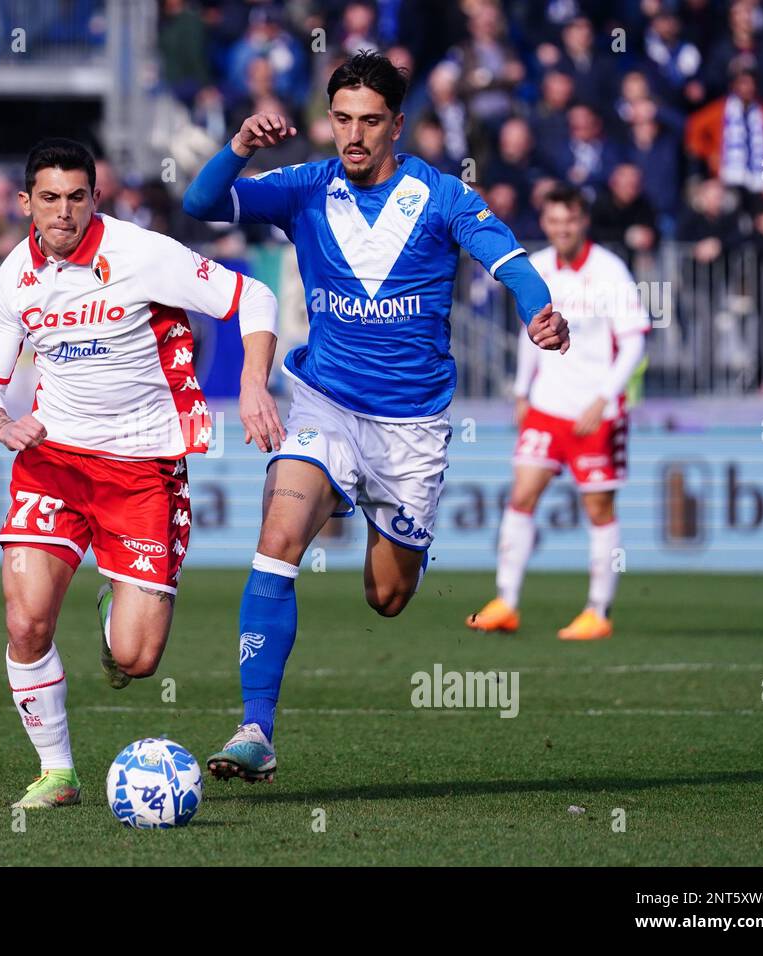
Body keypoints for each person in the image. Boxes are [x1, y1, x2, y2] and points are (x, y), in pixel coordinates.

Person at [182, 51, 569, 783]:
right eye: (341, 120)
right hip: (324, 403)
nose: (353, 136)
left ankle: (396, 548)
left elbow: (509, 259)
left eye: (369, 121)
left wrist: (537, 311)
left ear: (397, 124)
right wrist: (237, 148)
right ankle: (255, 731)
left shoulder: (444, 196)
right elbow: (201, 205)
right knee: (277, 539)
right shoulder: (302, 188)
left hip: (410, 429)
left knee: (386, 597)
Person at [0, 138, 281, 810]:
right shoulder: (13, 279)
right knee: (25, 623)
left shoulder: (142, 254)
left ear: (95, 199)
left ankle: (118, 605)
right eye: (48, 198)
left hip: (141, 468)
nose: (63, 211)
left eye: (76, 196)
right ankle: (57, 774)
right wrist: (1, 424)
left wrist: (255, 384)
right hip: (51, 463)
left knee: (137, 660)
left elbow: (252, 298)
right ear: (26, 203)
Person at [467, 184, 647, 641]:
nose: (562, 228)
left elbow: (634, 341)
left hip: (595, 412)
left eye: (570, 220)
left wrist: (604, 397)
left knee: (598, 508)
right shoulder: (538, 267)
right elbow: (534, 335)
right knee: (521, 495)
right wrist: (522, 391)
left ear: (582, 221)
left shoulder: (610, 270)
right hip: (547, 407)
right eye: (554, 221)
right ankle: (506, 601)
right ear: (544, 222)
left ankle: (597, 611)